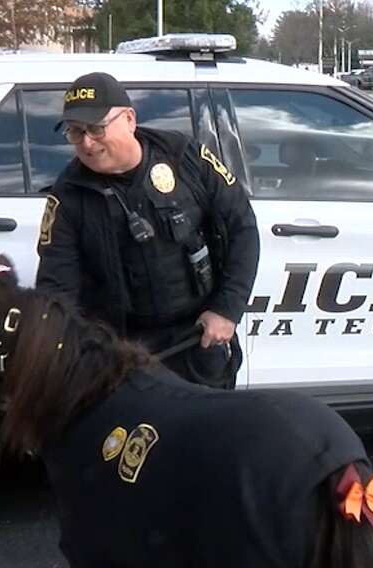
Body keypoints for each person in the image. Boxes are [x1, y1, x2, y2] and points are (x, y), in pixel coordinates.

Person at [35, 71, 259, 389]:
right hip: (121, 353)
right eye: (75, 132)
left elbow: (242, 227)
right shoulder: (69, 196)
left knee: (208, 435)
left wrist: (226, 309)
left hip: (196, 338)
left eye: (96, 129)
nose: (86, 142)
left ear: (129, 119)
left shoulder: (184, 157)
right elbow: (57, 287)